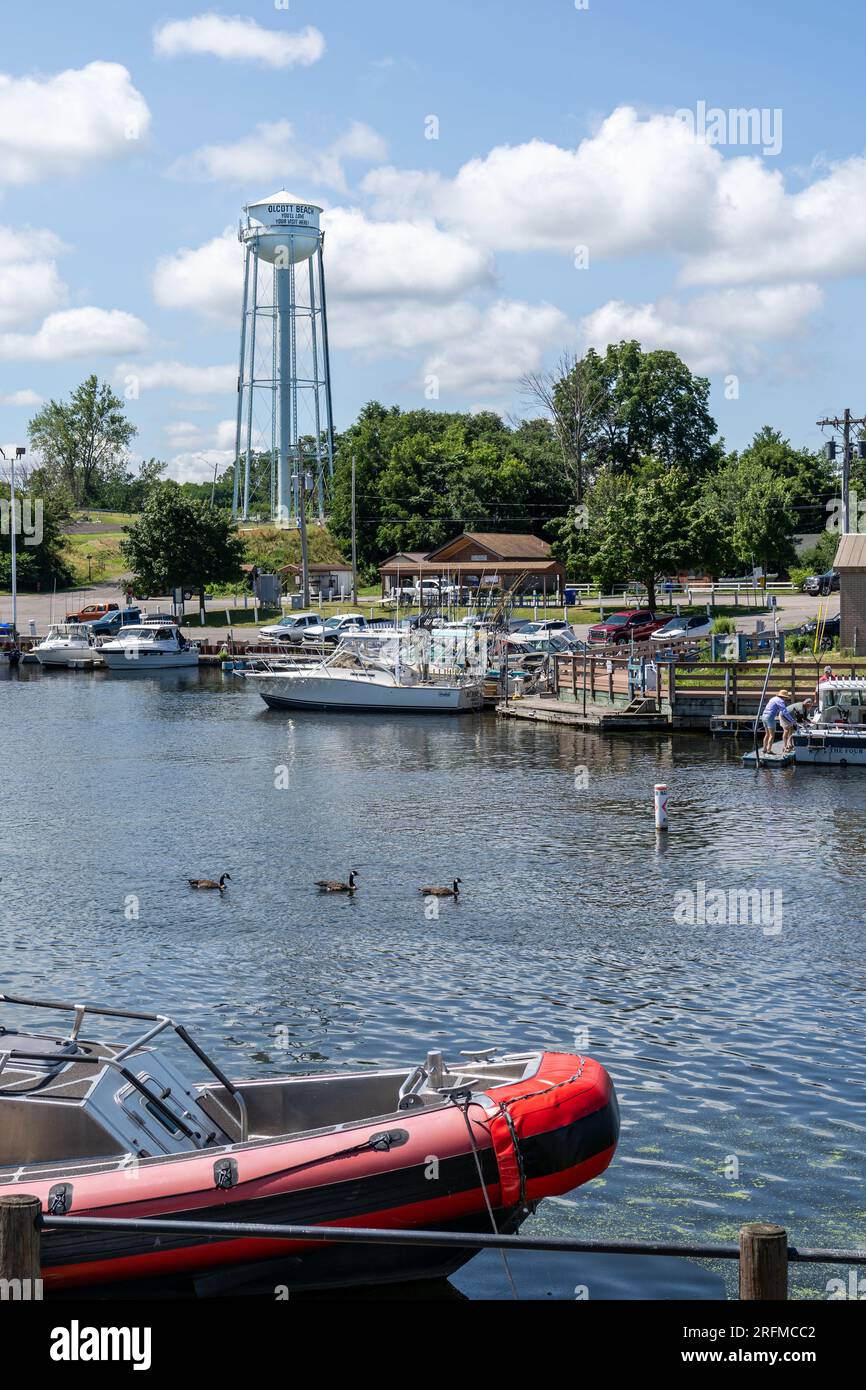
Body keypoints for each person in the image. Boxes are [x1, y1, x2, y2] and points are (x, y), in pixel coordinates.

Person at [761, 689, 791, 753]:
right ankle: (769, 750)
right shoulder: (780, 701)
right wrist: (792, 720)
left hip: (763, 716)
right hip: (770, 717)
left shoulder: (773, 698)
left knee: (767, 734)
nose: (785, 699)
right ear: (784, 697)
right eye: (785, 698)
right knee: (772, 735)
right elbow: (784, 712)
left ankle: (764, 749)